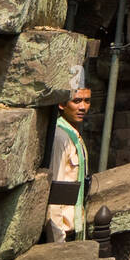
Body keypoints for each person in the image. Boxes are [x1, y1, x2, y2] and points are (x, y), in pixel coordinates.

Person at [45, 87, 91, 242]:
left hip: (76, 227)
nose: (83, 107)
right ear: (62, 105)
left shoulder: (74, 135)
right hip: (62, 232)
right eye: (77, 101)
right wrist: (58, 242)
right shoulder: (59, 137)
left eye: (87, 101)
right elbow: (53, 193)